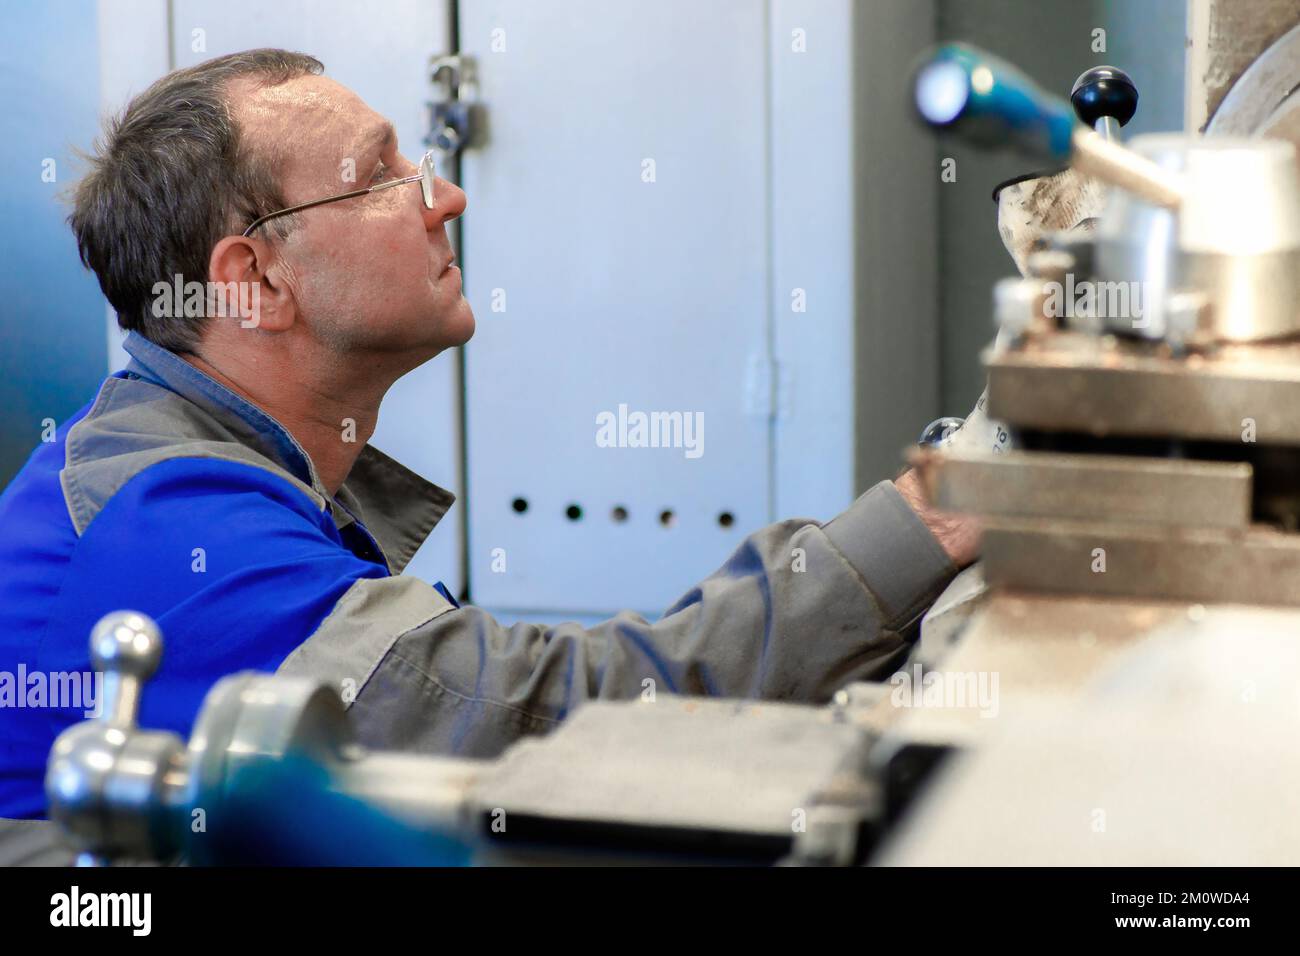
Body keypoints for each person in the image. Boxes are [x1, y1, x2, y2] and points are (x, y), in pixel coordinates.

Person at [0, 50, 979, 834]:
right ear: (254, 280)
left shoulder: (171, 463)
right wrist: (925, 519)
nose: (443, 197)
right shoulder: (174, 537)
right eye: (379, 174)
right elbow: (557, 722)